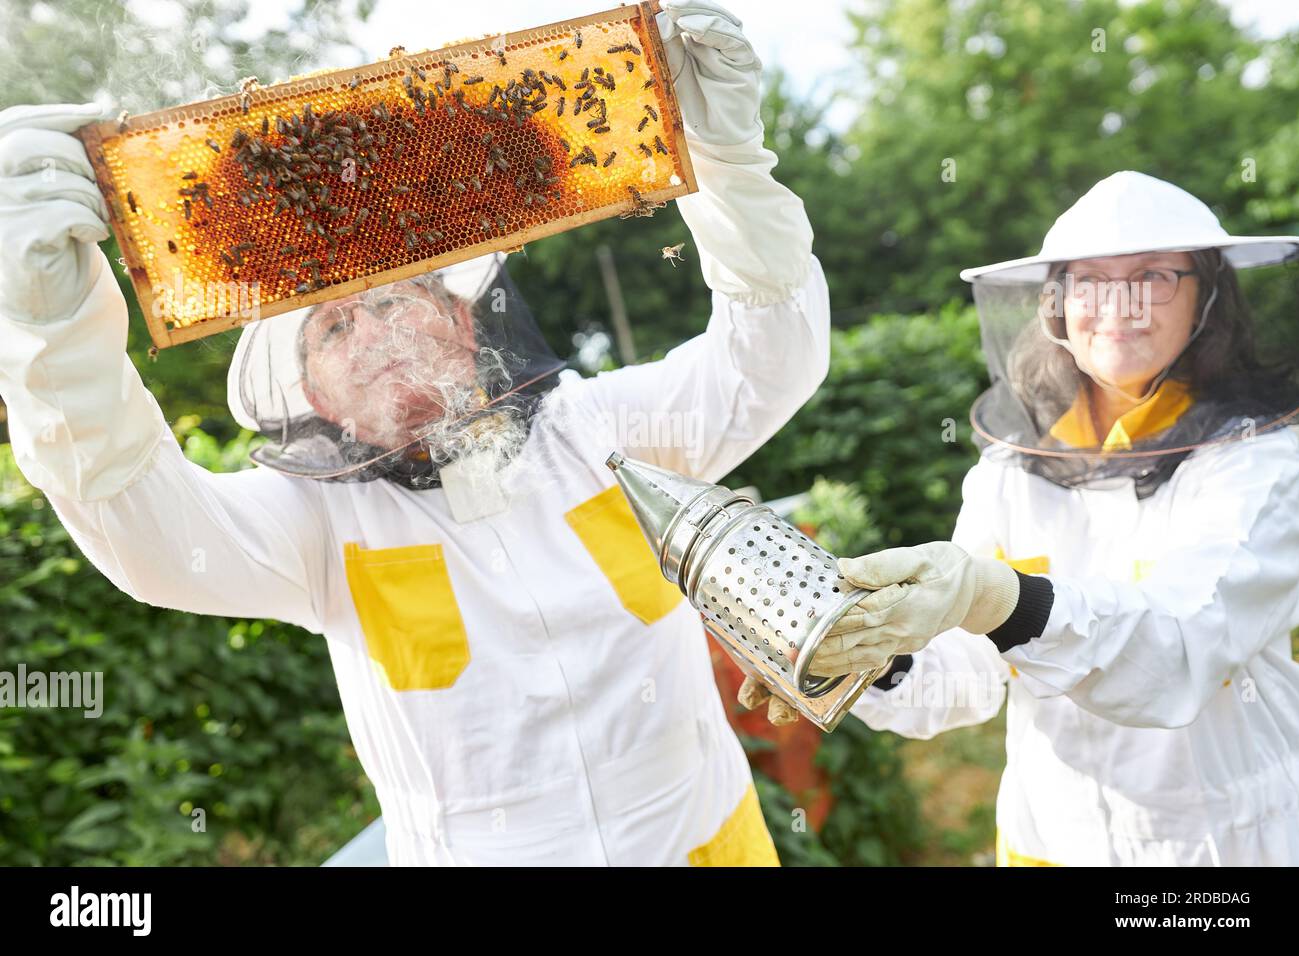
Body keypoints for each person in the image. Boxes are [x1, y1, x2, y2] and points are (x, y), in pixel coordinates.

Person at [0, 0, 831, 866]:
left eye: (394, 298)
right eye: (328, 331)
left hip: (710, 843)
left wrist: (730, 162)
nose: (371, 337)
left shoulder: (605, 428)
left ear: (465, 323)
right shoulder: (313, 527)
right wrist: (51, 332)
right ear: (316, 398)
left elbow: (771, 357)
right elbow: (147, 534)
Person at [744, 170, 1299, 866]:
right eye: (1090, 280)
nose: (1118, 304)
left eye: (1155, 275)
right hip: (1051, 841)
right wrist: (868, 654)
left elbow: (1178, 651)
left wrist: (1003, 599)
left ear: (1208, 297)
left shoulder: (1263, 465)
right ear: (1057, 304)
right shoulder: (1013, 471)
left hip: (1217, 853)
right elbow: (969, 674)